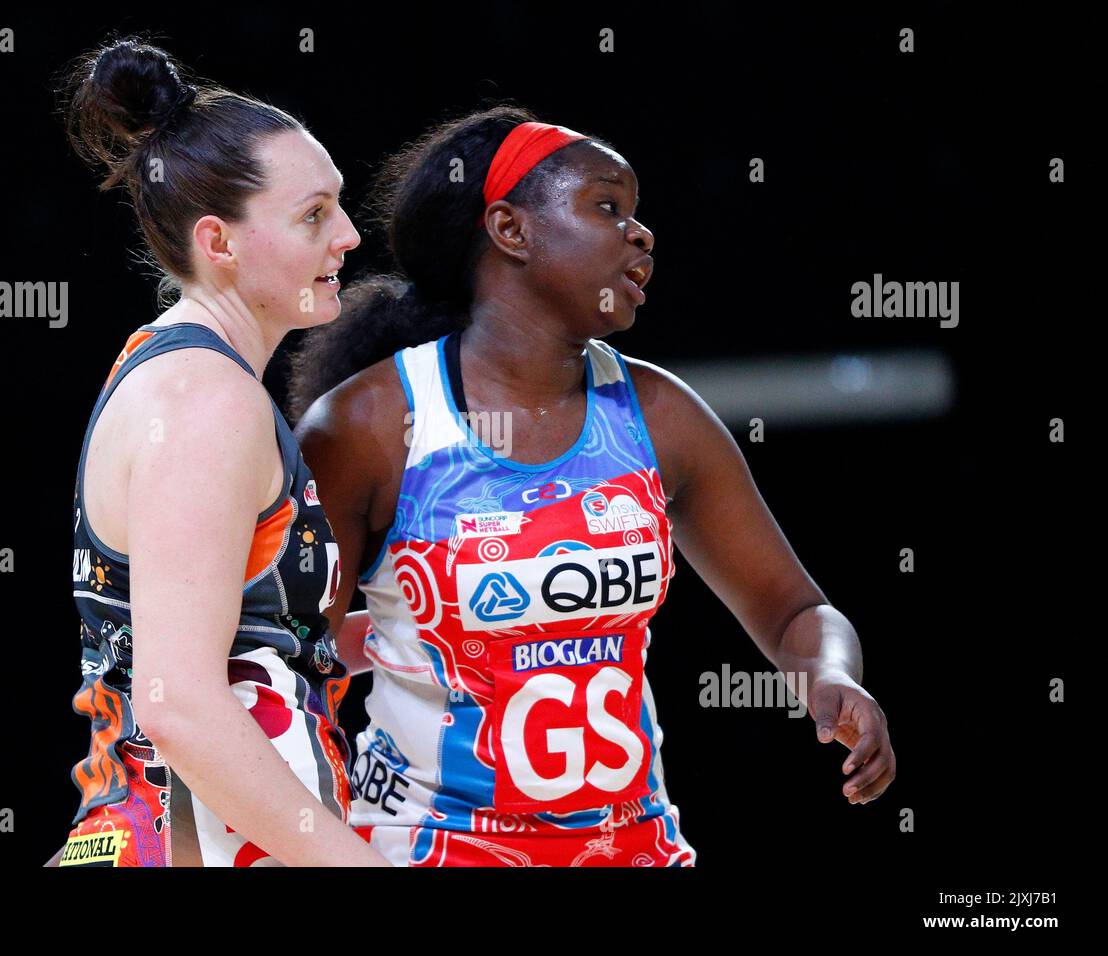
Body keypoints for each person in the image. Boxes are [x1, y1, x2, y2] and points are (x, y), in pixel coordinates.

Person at [289, 107, 896, 866]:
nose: (641, 235)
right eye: (607, 207)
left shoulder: (660, 414)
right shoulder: (368, 425)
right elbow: (288, 665)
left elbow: (795, 610)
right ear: (511, 230)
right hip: (429, 847)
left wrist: (831, 676)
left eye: (635, 214)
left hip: (635, 848)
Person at [50, 38, 389, 867]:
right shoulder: (207, 400)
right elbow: (179, 707)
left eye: (339, 207)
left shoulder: (182, 371)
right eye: (313, 215)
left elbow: (232, 645)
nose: (348, 235)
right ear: (220, 242)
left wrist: (391, 636)